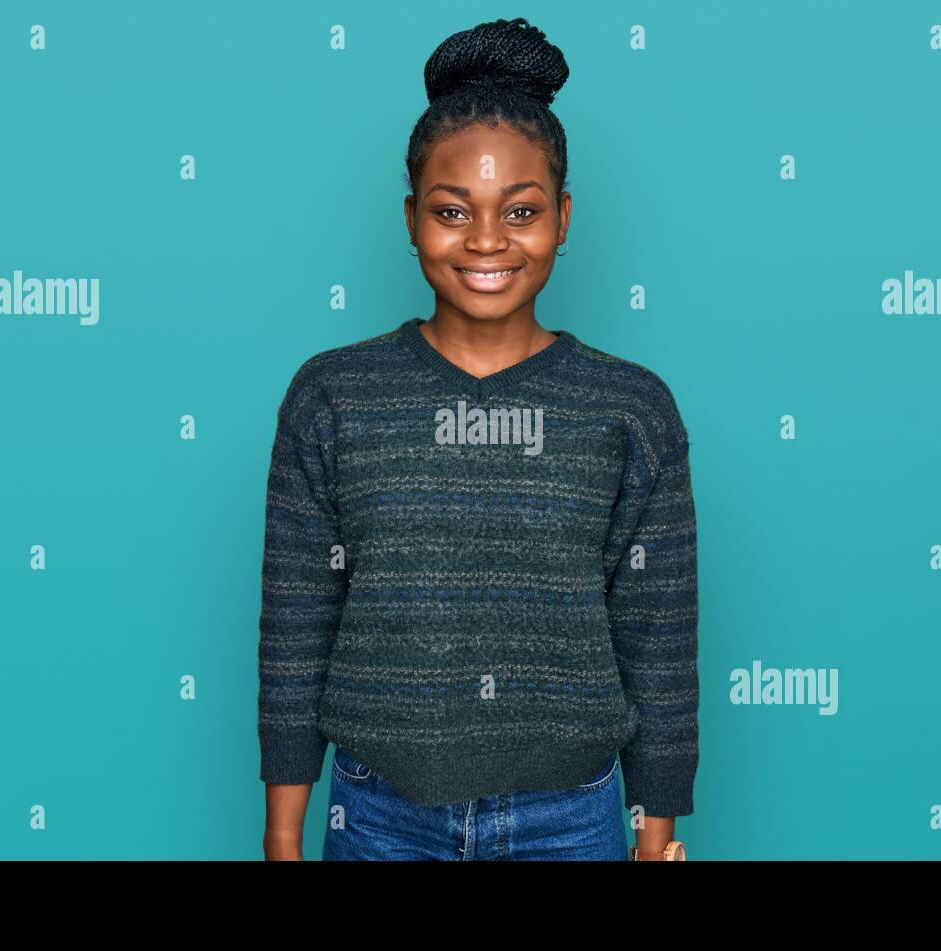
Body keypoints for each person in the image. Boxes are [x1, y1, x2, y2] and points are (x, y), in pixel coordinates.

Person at [259, 16, 698, 861]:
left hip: (572, 822)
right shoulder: (333, 397)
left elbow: (658, 636)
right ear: (412, 218)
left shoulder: (630, 410)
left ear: (563, 219)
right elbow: (296, 624)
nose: (488, 240)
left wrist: (657, 831)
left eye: (522, 210)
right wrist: (283, 836)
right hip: (379, 815)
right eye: (453, 210)